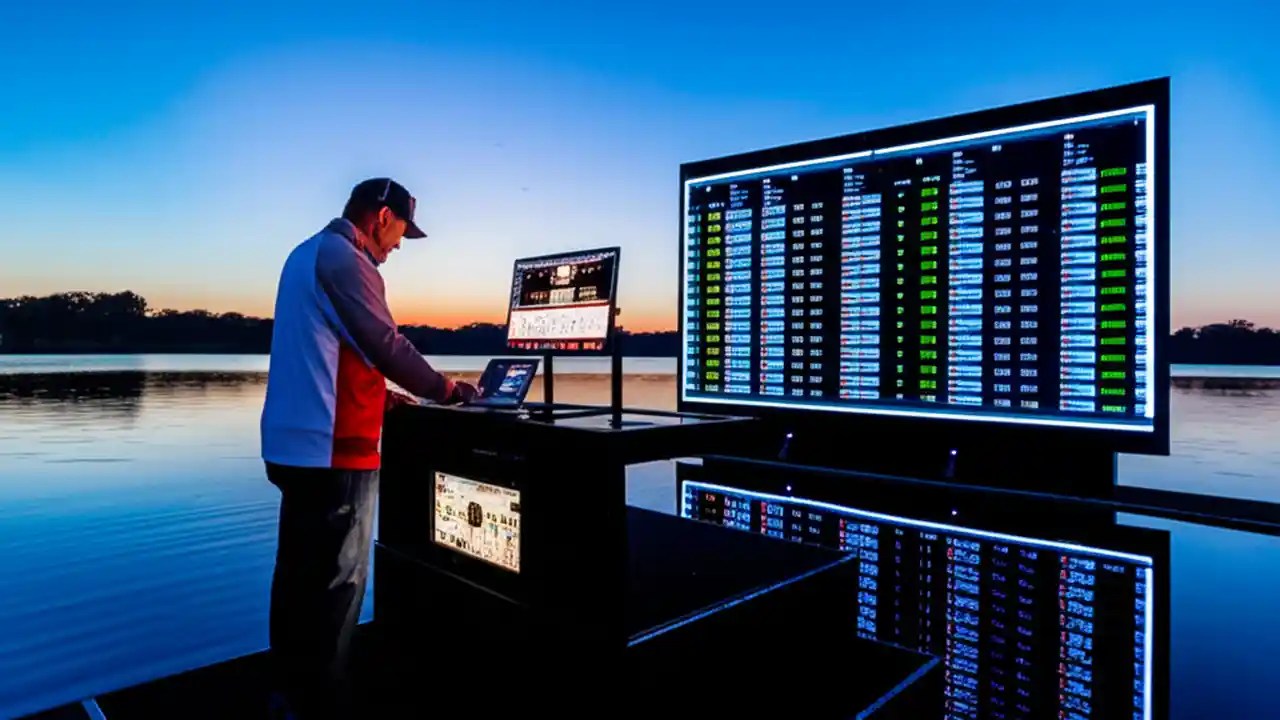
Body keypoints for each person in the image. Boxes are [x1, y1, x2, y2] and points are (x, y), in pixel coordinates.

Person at [259, 177, 476, 718]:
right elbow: (385, 343)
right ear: (382, 216)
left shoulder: (304, 254)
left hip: (292, 444)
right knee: (337, 589)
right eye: (402, 230)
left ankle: (287, 693)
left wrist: (381, 399)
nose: (399, 245)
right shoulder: (345, 259)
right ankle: (321, 704)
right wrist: (445, 391)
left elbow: (327, 352)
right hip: (334, 451)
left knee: (297, 580)